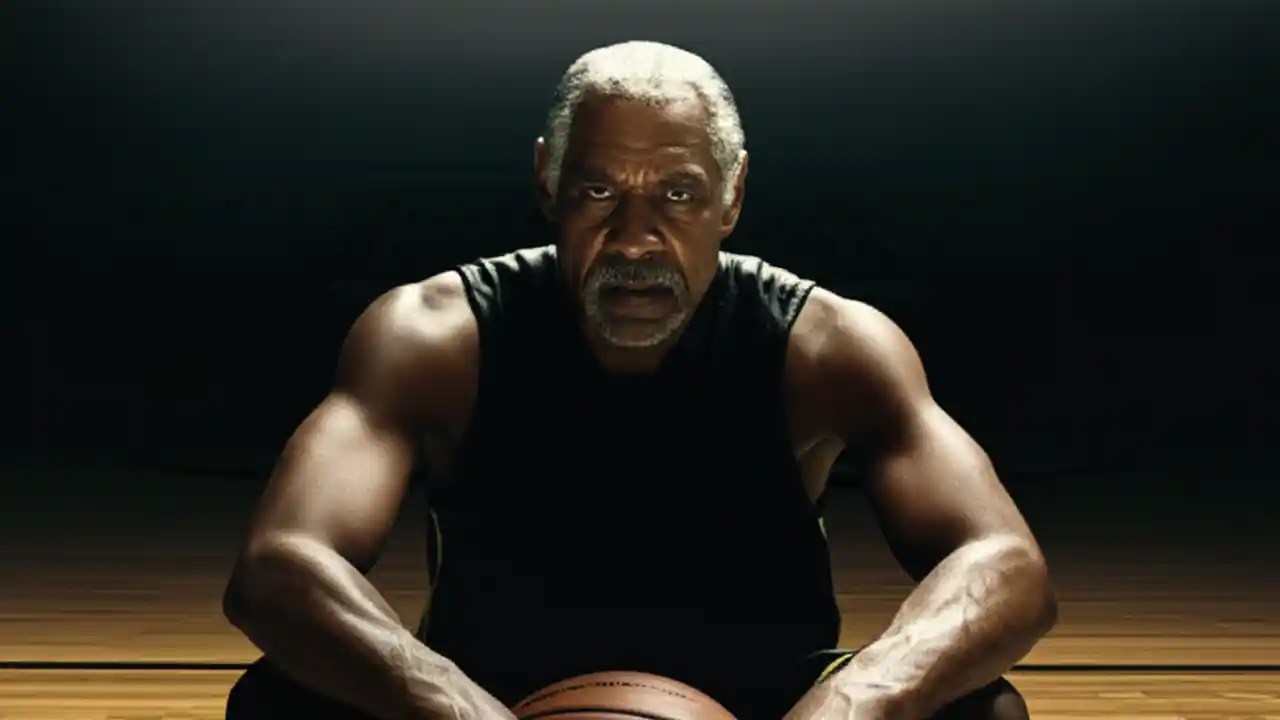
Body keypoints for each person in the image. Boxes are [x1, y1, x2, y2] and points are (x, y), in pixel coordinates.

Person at [221, 41, 1057, 720]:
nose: (634, 239)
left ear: (731, 198)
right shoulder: (437, 337)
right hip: (492, 693)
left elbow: (1005, 561)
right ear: (548, 181)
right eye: (597, 190)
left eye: (678, 194)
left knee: (986, 714)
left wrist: (854, 702)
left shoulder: (826, 346)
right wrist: (455, 708)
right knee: (276, 703)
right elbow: (278, 566)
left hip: (768, 703)